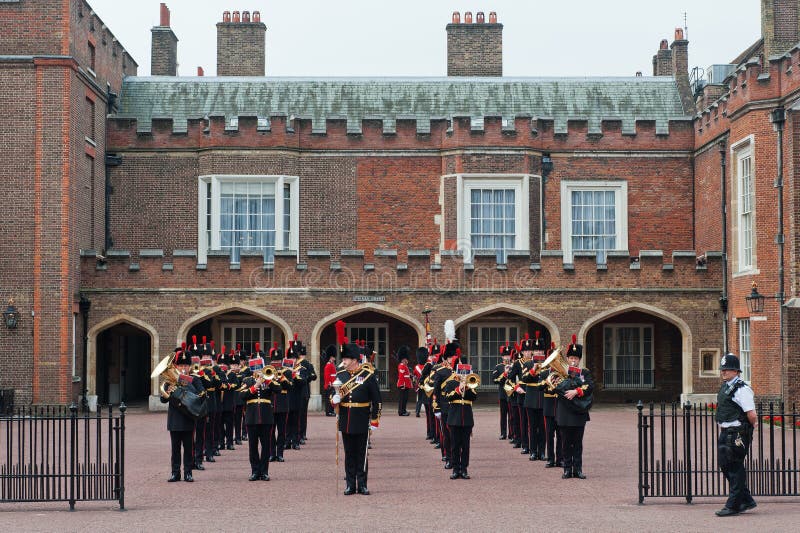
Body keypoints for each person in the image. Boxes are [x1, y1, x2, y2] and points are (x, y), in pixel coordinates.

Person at [330, 320, 382, 495]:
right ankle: (350, 484)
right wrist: (334, 399)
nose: (343, 361)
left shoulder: (368, 376)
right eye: (343, 358)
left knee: (362, 454)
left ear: (354, 360)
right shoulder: (341, 376)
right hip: (346, 419)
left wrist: (375, 419)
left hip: (361, 418)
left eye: (345, 359)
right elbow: (333, 397)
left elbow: (377, 399)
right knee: (349, 454)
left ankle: (363, 483)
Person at [714, 353, 757, 517]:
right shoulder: (726, 386)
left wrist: (752, 426)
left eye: (728, 369)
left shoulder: (742, 389)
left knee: (734, 467)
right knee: (725, 466)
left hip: (737, 433)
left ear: (736, 371)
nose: (724, 372)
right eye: (723, 369)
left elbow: (751, 413)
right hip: (726, 432)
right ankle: (745, 500)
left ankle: (733, 505)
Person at [160, 346, 204, 482]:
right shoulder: (169, 380)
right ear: (176, 366)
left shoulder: (194, 380)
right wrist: (171, 391)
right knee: (175, 449)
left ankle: (188, 473)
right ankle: (175, 473)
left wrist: (184, 383)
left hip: (188, 417)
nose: (183, 368)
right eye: (181, 365)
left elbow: (200, 395)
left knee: (189, 447)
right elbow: (162, 399)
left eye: (186, 365)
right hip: (174, 418)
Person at [555, 335, 593, 479]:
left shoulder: (585, 372)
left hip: (578, 412)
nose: (573, 360)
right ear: (568, 359)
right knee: (565, 442)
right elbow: (557, 388)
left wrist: (576, 391)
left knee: (577, 443)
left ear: (579, 360)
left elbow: (590, 387)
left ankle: (578, 469)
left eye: (575, 359)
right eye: (571, 358)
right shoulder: (561, 372)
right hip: (564, 412)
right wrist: (569, 381)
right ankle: (566, 469)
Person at [239, 353, 282, 481]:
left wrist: (267, 380)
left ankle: (264, 471)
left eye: (260, 368)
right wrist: (255, 386)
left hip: (266, 417)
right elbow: (242, 395)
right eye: (256, 368)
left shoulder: (269, 379)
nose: (258, 370)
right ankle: (255, 471)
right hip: (252, 417)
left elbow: (279, 389)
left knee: (266, 446)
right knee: (252, 446)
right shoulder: (247, 380)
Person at [443, 353, 477, 479]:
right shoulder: (451, 382)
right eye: (461, 371)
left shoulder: (471, 382)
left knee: (465, 445)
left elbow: (474, 397)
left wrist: (467, 387)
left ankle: (464, 469)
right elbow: (447, 397)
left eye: (465, 371)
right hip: (454, 417)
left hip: (467, 417)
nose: (463, 374)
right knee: (455, 445)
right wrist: (459, 389)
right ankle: (455, 469)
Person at [519, 332, 547, 461]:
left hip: (544, 399)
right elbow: (524, 378)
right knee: (532, 426)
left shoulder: (548, 364)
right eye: (536, 350)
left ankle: (542, 451)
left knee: (543, 427)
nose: (539, 353)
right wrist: (533, 369)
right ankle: (533, 451)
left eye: (541, 350)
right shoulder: (528, 364)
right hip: (530, 399)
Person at [542, 341, 563, 468]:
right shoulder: (544, 373)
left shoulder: (563, 373)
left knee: (561, 435)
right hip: (549, 407)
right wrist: (548, 382)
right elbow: (539, 387)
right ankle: (550, 459)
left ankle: (560, 459)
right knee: (549, 435)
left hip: (560, 407)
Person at [491, 345, 512, 440]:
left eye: (508, 355)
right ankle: (503, 433)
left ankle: (512, 434)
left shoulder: (514, 365)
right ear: (502, 357)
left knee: (512, 416)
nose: (507, 357)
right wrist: (504, 374)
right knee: (503, 415)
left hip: (512, 393)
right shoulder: (498, 367)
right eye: (505, 356)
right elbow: (494, 380)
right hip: (503, 394)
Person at [396, 347, 412, 416]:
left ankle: (404, 410)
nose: (407, 360)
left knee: (405, 399)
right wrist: (402, 385)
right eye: (406, 359)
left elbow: (406, 375)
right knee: (402, 399)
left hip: (406, 384)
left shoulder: (405, 366)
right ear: (403, 359)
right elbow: (401, 376)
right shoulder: (402, 366)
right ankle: (401, 412)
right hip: (403, 385)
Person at [413, 348, 428, 418]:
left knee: (419, 399)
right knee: (426, 399)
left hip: (419, 385)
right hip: (427, 385)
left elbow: (414, 376)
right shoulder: (427, 366)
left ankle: (417, 412)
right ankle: (428, 412)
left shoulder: (416, 367)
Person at [322, 349, 337, 416]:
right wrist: (329, 384)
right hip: (329, 384)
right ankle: (329, 412)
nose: (335, 358)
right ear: (331, 357)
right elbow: (327, 376)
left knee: (331, 398)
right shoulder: (329, 365)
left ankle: (330, 411)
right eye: (333, 357)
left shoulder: (331, 364)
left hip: (332, 383)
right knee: (329, 399)